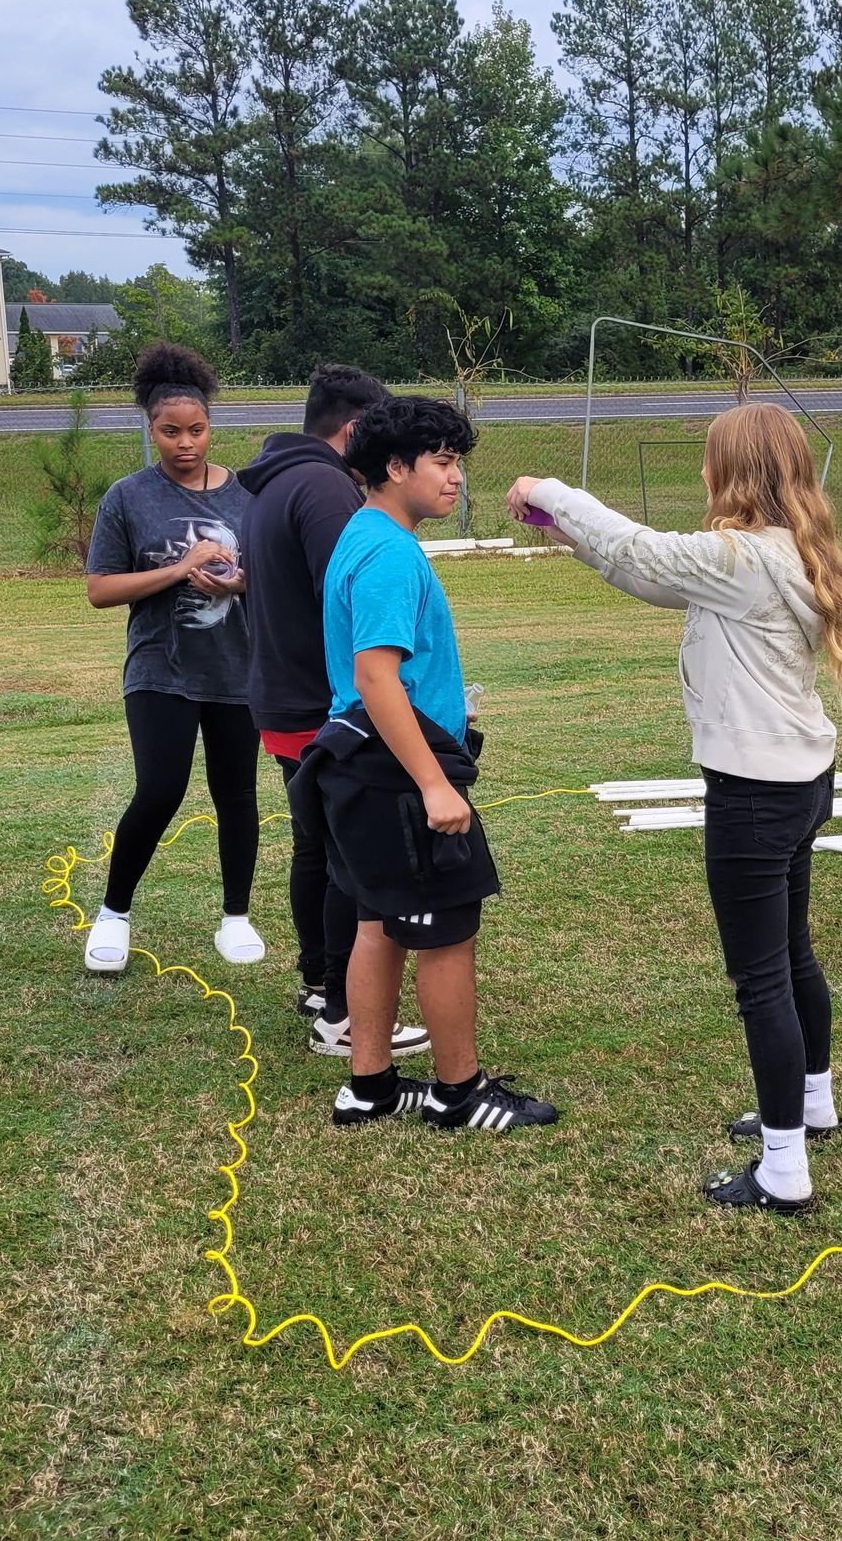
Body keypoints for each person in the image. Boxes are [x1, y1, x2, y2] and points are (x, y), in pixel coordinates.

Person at [508, 401, 842, 1216]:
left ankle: (784, 1172)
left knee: (762, 979)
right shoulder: (786, 551)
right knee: (793, 956)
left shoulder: (739, 557)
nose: (701, 473)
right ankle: (813, 1104)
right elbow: (643, 573)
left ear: (732, 472)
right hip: (800, 781)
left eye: (709, 460)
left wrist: (547, 489)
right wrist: (565, 533)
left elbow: (643, 549)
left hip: (756, 792)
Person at [295, 395, 558, 1131]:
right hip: (396, 775)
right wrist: (435, 783)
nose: (456, 480)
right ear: (394, 466)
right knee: (446, 930)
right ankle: (458, 1092)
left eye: (459, 464)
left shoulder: (364, 534)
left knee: (379, 923)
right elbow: (377, 676)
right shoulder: (386, 553)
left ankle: (370, 1085)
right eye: (443, 463)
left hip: (367, 766)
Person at [238, 363, 424, 1065]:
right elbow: (346, 597)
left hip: (284, 696)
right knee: (348, 855)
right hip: (321, 702)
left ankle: (321, 983)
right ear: (351, 431)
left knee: (318, 845)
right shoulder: (323, 486)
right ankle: (344, 1012)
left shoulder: (278, 479)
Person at [79, 343, 264, 975]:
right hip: (160, 667)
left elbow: (271, 579)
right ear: (150, 429)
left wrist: (240, 584)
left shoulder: (248, 496)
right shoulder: (128, 498)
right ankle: (113, 915)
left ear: (212, 427)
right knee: (161, 789)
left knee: (236, 793)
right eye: (170, 432)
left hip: (236, 668)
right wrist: (181, 569)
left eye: (197, 430)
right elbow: (101, 590)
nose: (185, 444)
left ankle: (235, 917)